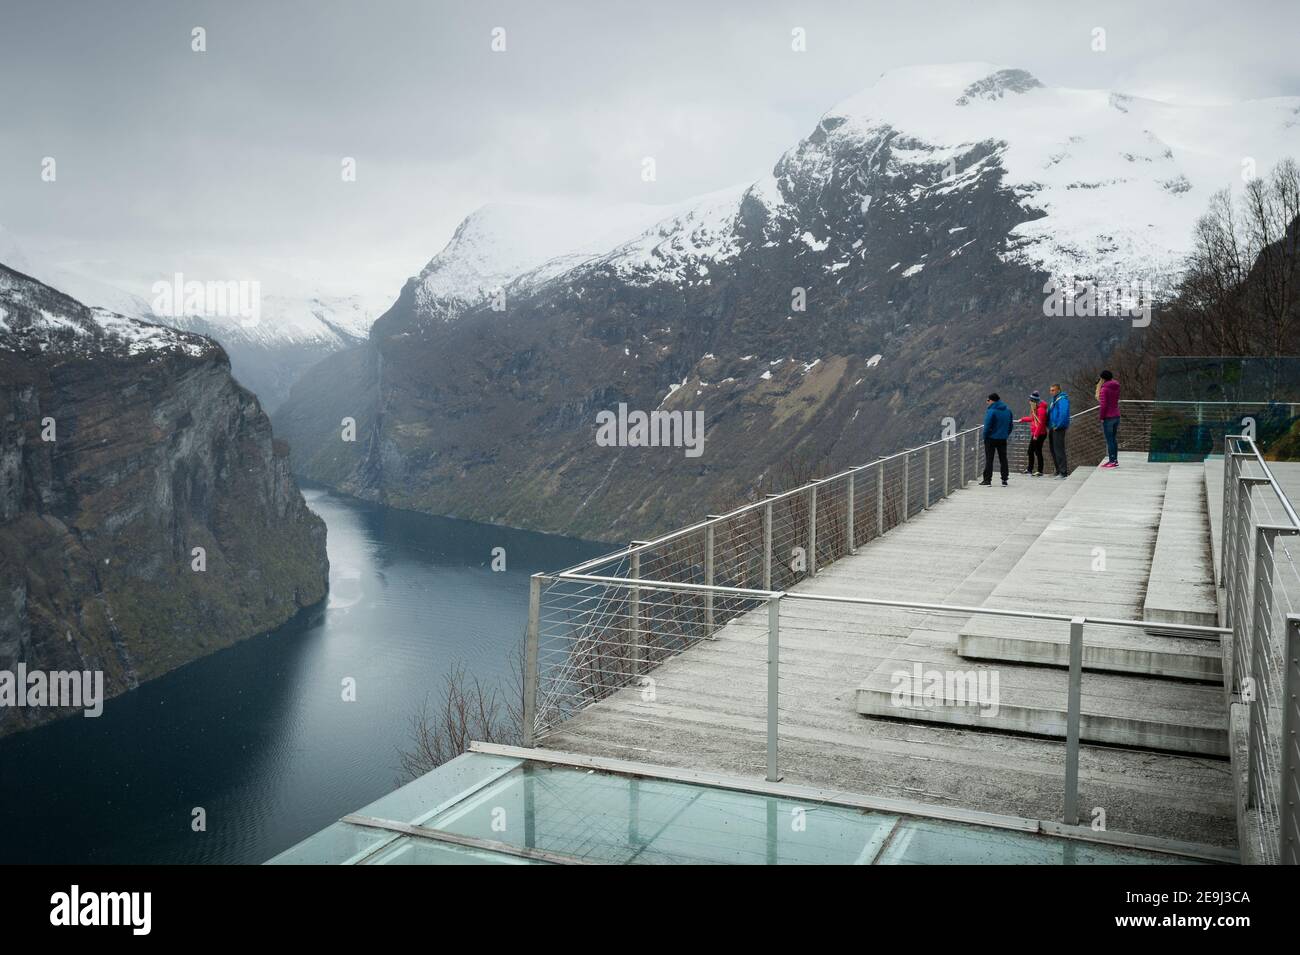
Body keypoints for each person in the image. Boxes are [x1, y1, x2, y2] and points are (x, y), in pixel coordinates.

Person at [980, 393, 1013, 486]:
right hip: (1002, 438)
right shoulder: (1007, 410)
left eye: (988, 401)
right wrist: (1005, 434)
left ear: (992, 400)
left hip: (991, 438)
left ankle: (987, 480)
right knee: (1003, 459)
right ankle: (1004, 479)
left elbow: (987, 426)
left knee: (989, 459)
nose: (987, 403)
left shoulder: (992, 411)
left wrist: (985, 436)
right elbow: (1010, 425)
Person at [1018, 391, 1048, 476]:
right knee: (1031, 451)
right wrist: (1023, 419)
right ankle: (1030, 469)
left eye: (1030, 400)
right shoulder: (1036, 408)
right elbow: (1033, 418)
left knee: (1037, 451)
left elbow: (1040, 423)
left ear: (1034, 401)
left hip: (1040, 434)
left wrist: (1036, 435)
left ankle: (1039, 470)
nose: (1029, 402)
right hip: (1037, 433)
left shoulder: (1041, 409)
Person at [1097, 370, 1121, 468]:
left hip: (1108, 417)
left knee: (1109, 440)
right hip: (1116, 415)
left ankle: (1112, 461)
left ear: (1103, 378)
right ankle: (1114, 460)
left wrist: (1102, 417)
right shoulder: (1116, 386)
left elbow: (1103, 405)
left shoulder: (1104, 389)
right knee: (1113, 439)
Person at [1047, 383, 1070, 478]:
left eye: (1053, 390)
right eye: (1050, 390)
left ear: (1058, 390)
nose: (1051, 392)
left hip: (1058, 428)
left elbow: (1063, 413)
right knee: (1053, 449)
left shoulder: (1062, 399)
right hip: (1052, 427)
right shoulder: (1054, 400)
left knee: (1059, 449)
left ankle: (1063, 472)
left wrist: (1058, 425)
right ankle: (1058, 470)